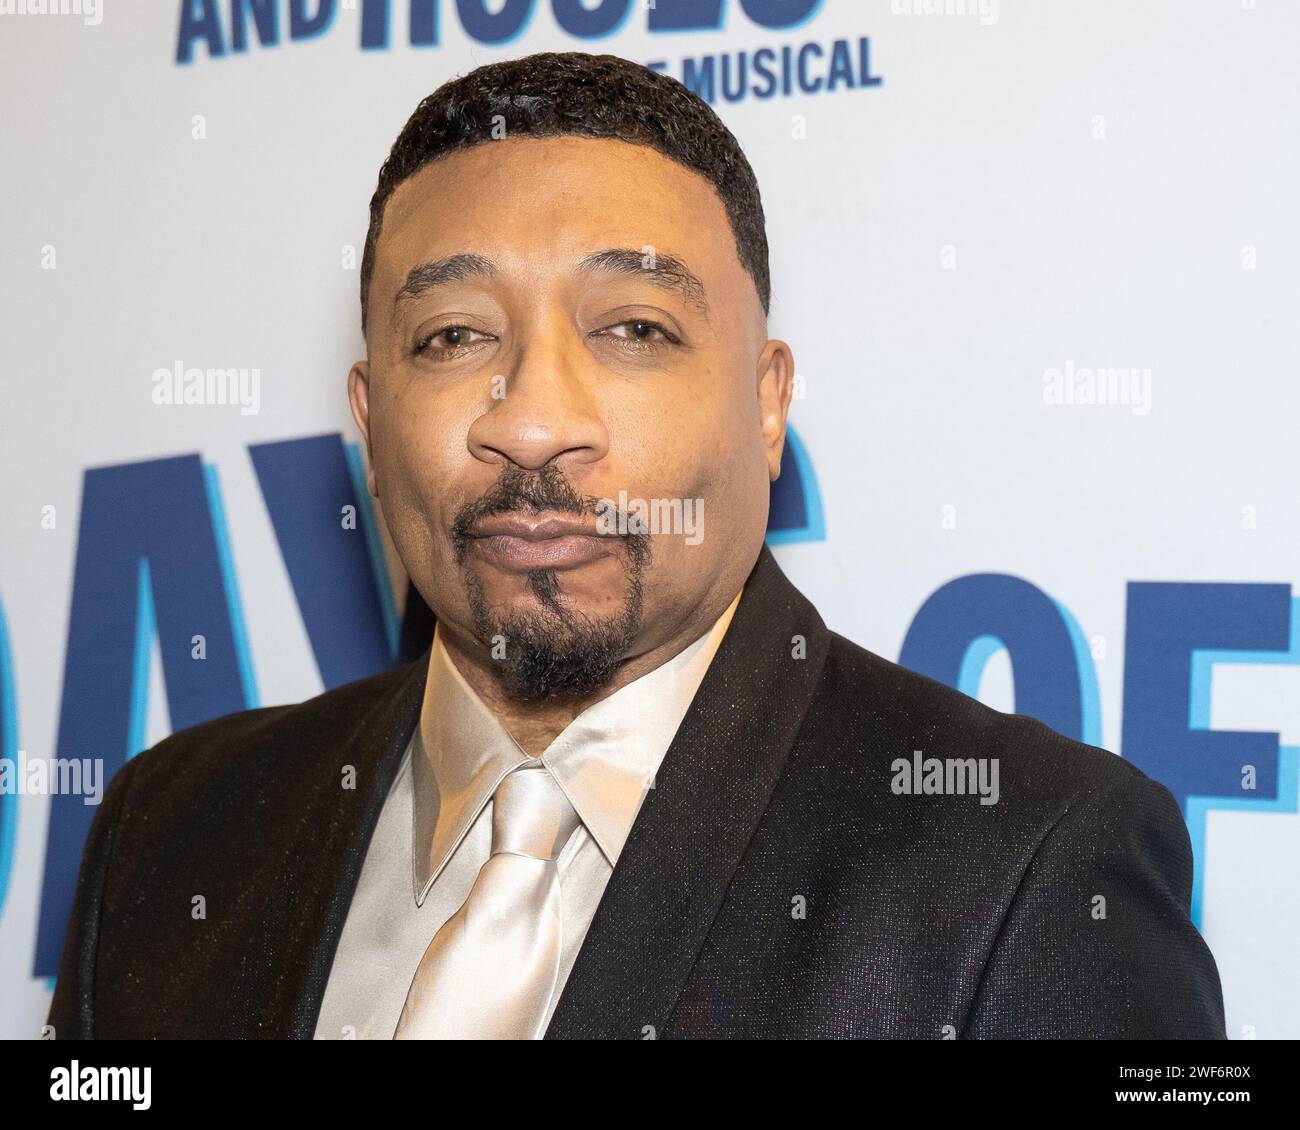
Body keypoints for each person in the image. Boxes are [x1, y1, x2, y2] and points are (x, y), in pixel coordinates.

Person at [47, 52, 1225, 1040]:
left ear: (768, 404)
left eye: (633, 328)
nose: (532, 416)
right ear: (367, 416)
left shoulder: (1035, 865)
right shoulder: (173, 828)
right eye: (452, 333)